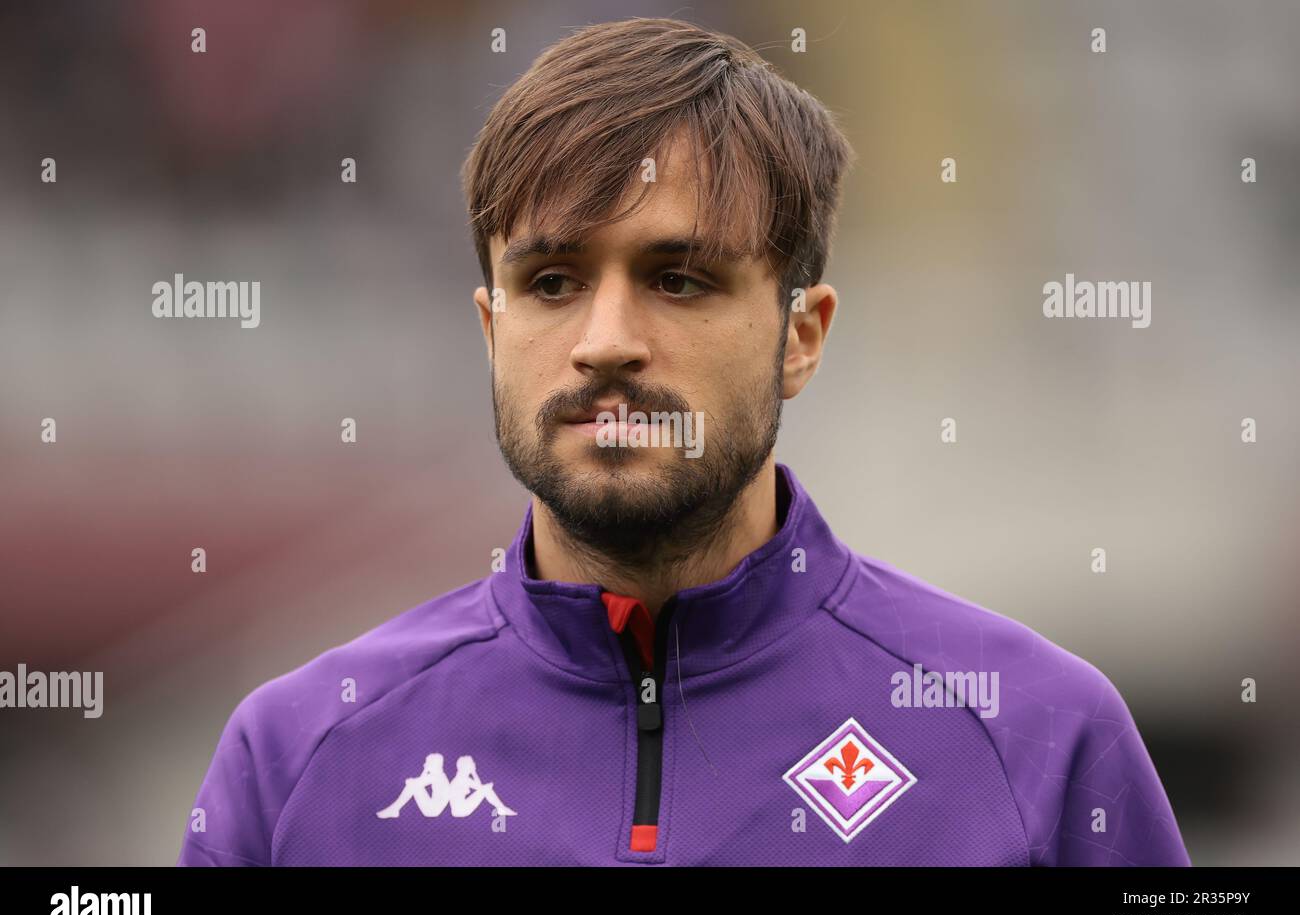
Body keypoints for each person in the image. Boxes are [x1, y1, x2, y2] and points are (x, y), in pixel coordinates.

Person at [177, 17, 1190, 866]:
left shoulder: (1041, 737)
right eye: (552, 282)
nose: (605, 343)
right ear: (492, 332)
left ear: (800, 335)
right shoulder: (299, 756)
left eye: (679, 278)